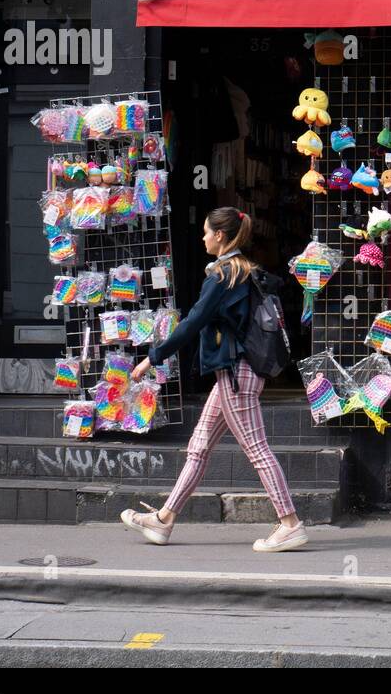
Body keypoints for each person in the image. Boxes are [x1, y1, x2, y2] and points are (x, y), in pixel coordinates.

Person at [119, 207, 307, 552]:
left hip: (237, 375)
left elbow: (192, 322)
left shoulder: (223, 275)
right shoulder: (242, 270)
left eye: (206, 231)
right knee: (199, 446)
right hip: (234, 375)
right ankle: (164, 520)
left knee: (257, 451)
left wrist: (152, 358)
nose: (202, 237)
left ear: (220, 236)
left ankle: (290, 524)